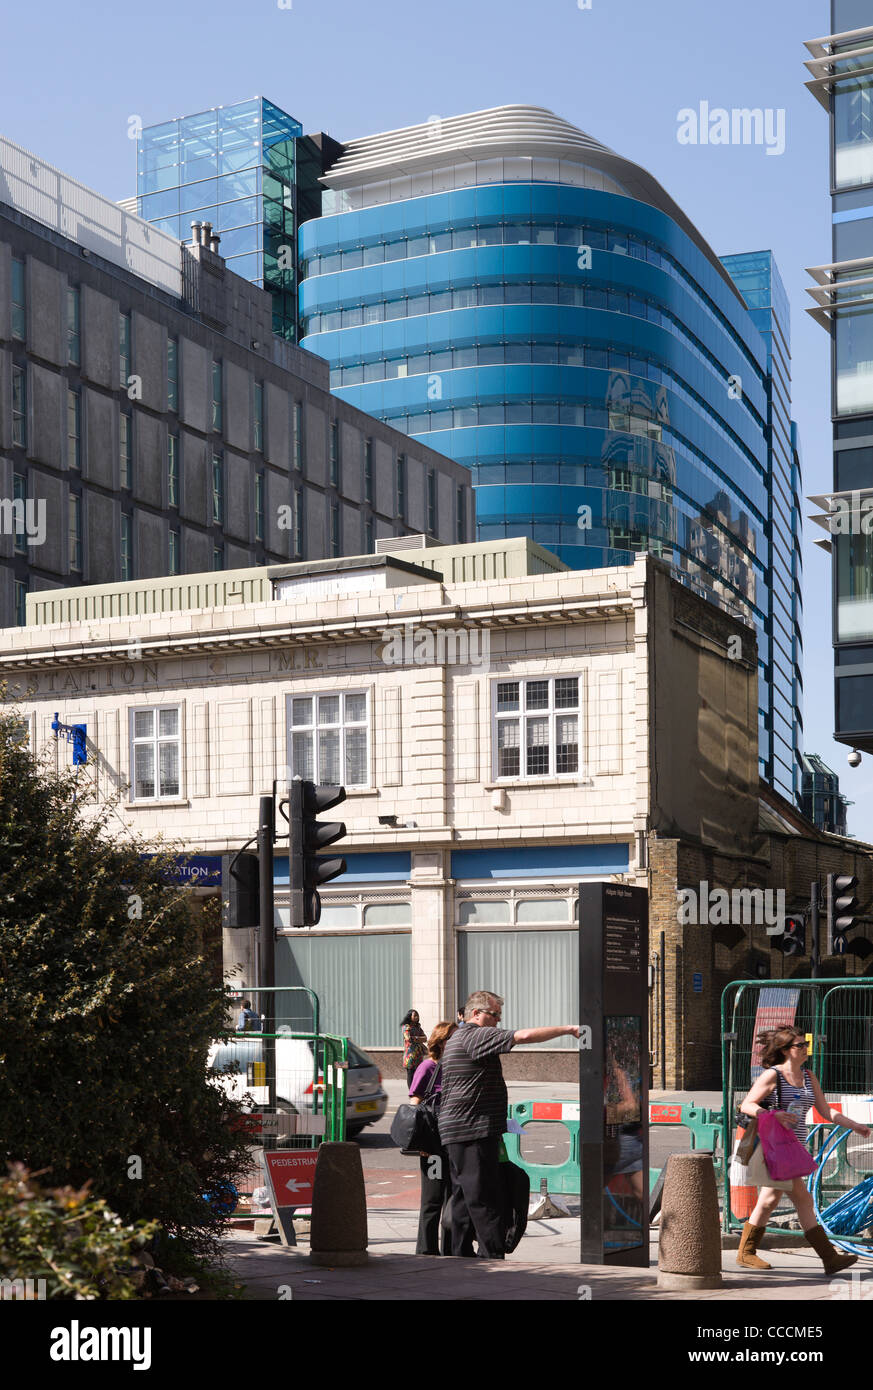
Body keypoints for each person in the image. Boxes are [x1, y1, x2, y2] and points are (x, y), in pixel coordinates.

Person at [438, 989, 581, 1259]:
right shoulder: (475, 1035)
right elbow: (523, 1036)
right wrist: (568, 1029)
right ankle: (492, 1258)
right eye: (494, 1015)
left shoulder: (459, 1038)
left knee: (463, 1197)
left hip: (458, 1130)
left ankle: (458, 1255)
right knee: (484, 1198)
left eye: (499, 1016)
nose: (497, 1021)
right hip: (473, 1130)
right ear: (476, 1014)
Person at [738, 1025, 871, 1274]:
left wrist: (853, 1125)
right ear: (786, 1050)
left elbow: (825, 1110)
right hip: (776, 1147)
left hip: (794, 1147)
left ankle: (746, 1252)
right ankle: (829, 1258)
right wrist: (773, 1114)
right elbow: (747, 1104)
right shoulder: (773, 1076)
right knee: (803, 1200)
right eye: (800, 1045)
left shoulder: (808, 1076)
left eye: (805, 1043)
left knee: (769, 1201)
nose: (805, 1048)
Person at [408, 1020, 457, 1255]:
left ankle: (450, 1249)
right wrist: (422, 1143)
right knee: (432, 1199)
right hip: (433, 1145)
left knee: (453, 1198)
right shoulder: (428, 1067)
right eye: (453, 1038)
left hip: (455, 1141)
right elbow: (414, 1105)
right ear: (441, 1042)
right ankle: (426, 1250)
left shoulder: (459, 1066)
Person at [400, 1009, 427, 1091]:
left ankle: (417, 1089)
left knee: (418, 1072)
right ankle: (411, 1091)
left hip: (418, 1054)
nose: (416, 1017)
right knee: (410, 1073)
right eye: (414, 1015)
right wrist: (419, 1038)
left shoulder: (418, 1027)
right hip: (410, 1054)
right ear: (409, 1016)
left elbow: (425, 1038)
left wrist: (415, 1038)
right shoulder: (406, 1027)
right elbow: (408, 1038)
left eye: (417, 1015)